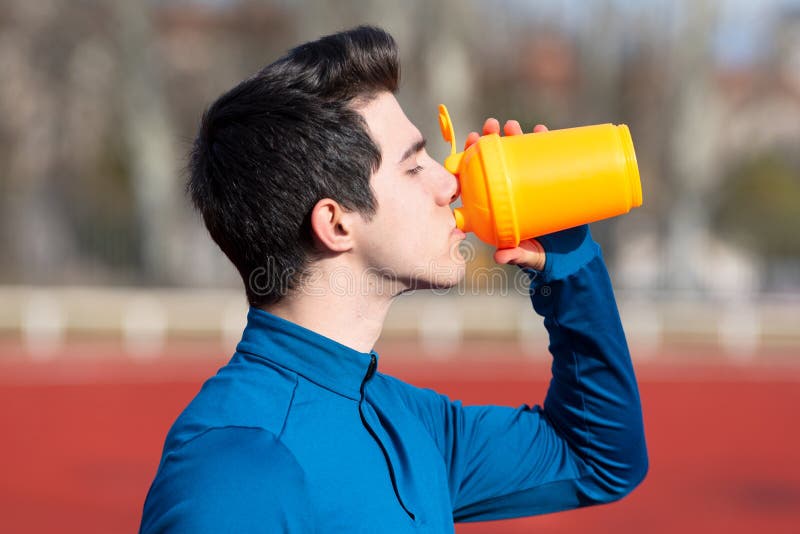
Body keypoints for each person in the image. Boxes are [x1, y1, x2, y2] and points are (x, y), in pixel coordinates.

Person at [140, 26, 647, 533]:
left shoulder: (402, 420)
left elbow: (596, 457)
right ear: (337, 224)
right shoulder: (233, 469)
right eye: (414, 166)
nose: (450, 184)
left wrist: (565, 251)